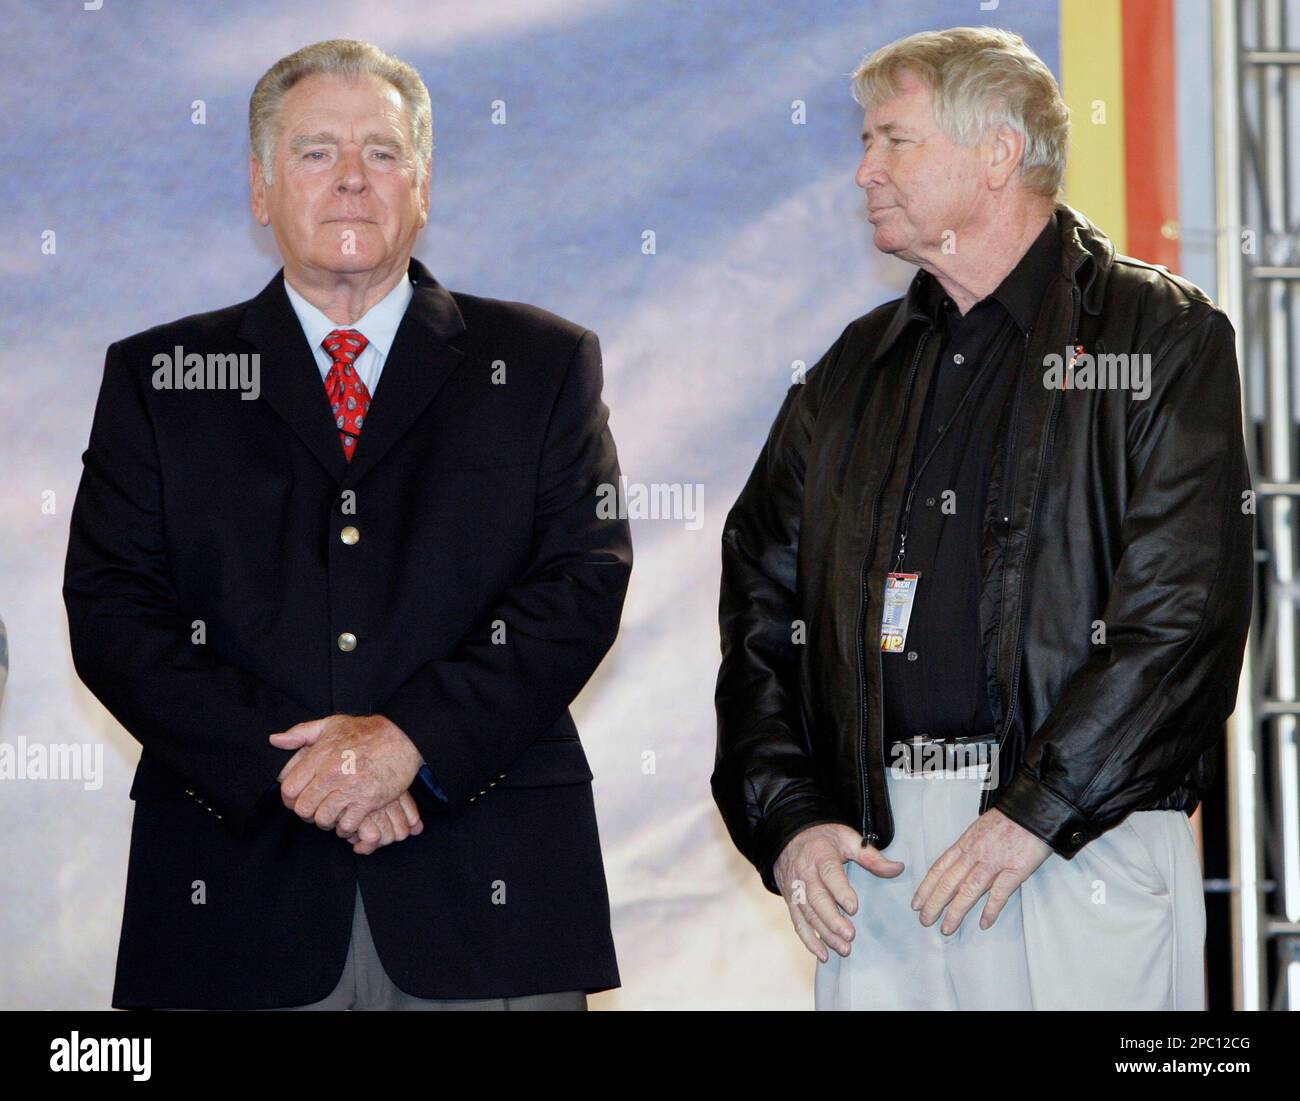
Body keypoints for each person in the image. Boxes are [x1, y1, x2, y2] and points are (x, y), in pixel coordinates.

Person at [64, 38, 631, 1010]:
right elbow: (114, 616)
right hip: (235, 897)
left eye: (383, 152)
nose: (353, 181)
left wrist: (409, 743)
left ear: (423, 185)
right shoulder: (158, 379)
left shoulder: (541, 363)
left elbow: (580, 584)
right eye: (316, 151)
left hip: (487, 898)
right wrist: (307, 776)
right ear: (260, 186)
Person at [713, 26, 1253, 1010]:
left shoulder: (1159, 338)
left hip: (1077, 841)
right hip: (872, 861)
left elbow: (1182, 621)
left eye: (892, 139)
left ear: (998, 152)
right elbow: (759, 607)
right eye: (864, 141)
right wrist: (789, 816)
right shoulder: (850, 372)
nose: (863, 170)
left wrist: (1036, 808)